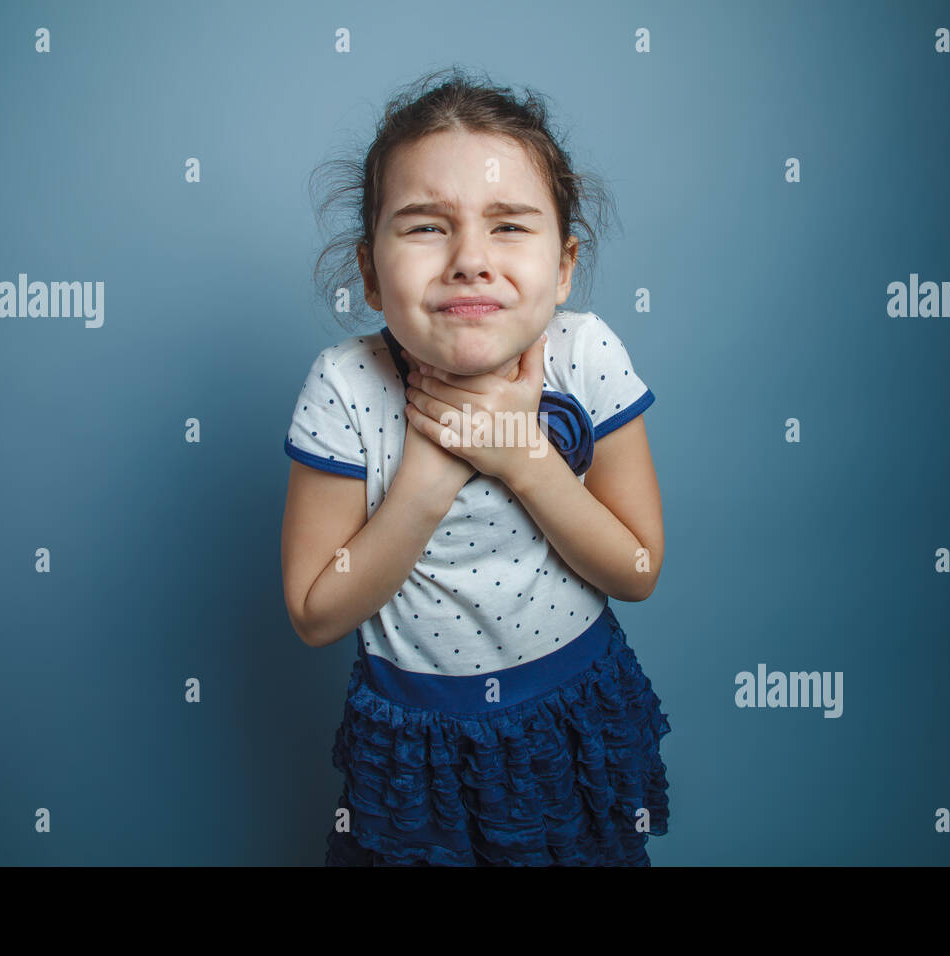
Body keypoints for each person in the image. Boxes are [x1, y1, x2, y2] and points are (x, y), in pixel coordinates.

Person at [282, 66, 671, 865]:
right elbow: (316, 613)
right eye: (426, 227)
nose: (469, 259)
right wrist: (427, 477)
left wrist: (526, 460)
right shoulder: (346, 387)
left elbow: (637, 569)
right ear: (368, 271)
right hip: (416, 740)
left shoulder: (585, 355)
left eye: (508, 226)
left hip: (570, 720)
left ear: (563, 267)